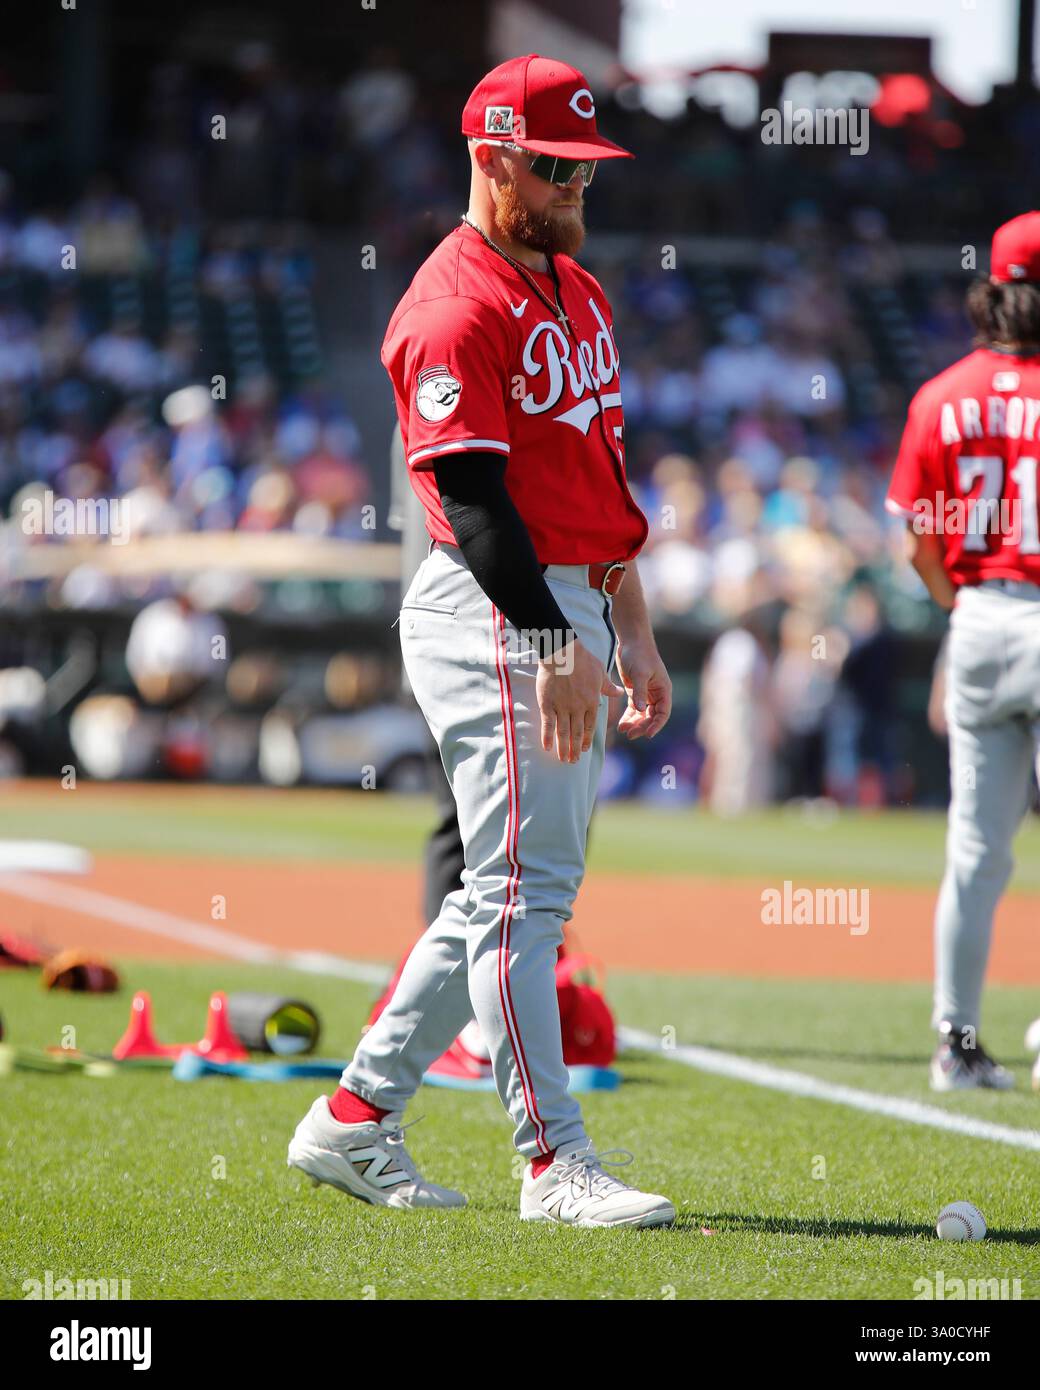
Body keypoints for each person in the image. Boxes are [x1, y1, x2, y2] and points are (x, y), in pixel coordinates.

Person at [289, 54, 675, 1226]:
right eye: (556, 168)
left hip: (566, 602)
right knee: (519, 896)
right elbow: (474, 505)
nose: (575, 189)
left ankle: (352, 1119)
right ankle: (551, 1162)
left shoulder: (578, 290)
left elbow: (596, 487)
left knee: (502, 900)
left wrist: (633, 623)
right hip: (491, 604)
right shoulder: (451, 301)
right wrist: (557, 641)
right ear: (492, 156)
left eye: (586, 169)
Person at [885, 211, 1040, 1091]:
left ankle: (958, 1043)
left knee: (976, 851)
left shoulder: (942, 394)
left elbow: (915, 541)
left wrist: (961, 605)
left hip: (981, 619)